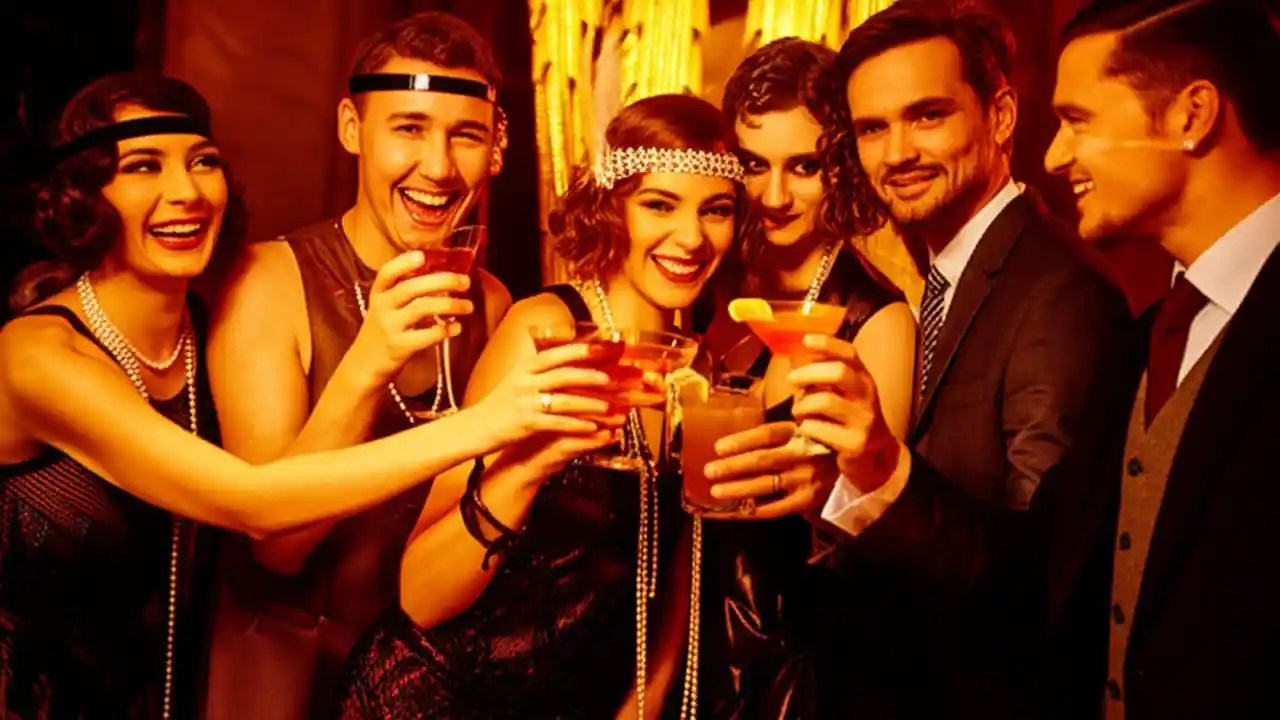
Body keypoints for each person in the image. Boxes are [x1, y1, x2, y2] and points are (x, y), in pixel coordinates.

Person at [0, 73, 616, 720]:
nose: (184, 192)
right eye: (143, 167)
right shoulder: (39, 356)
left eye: (202, 162)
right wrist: (493, 422)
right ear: (80, 197)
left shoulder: (205, 329)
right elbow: (254, 504)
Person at [702, 1, 1132, 717]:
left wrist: (876, 473)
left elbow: (1045, 575)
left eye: (926, 116)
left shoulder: (1059, 293)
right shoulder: (941, 277)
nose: (896, 152)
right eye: (873, 128)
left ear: (999, 117)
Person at [334, 93, 745, 720]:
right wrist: (531, 466)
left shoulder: (703, 371)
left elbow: (681, 571)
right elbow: (419, 594)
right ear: (612, 209)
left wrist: (647, 700)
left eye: (715, 211)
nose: (690, 237)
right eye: (659, 204)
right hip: (432, 699)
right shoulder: (546, 330)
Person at [203, 12, 518, 718]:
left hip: (425, 680)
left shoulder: (494, 303)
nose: (437, 167)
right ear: (352, 128)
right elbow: (275, 549)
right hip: (285, 672)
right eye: (407, 127)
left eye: (464, 134)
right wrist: (370, 359)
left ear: (496, 148)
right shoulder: (269, 280)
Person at [1045, 1, 1280, 716]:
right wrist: (879, 473)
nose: (1054, 156)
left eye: (1077, 120)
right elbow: (1051, 567)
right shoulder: (1144, 339)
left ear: (1191, 114)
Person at [693, 37, 916, 718]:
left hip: (793, 661)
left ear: (843, 167)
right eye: (754, 165)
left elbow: (869, 532)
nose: (776, 195)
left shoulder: (875, 319)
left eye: (805, 166)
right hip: (686, 633)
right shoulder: (708, 280)